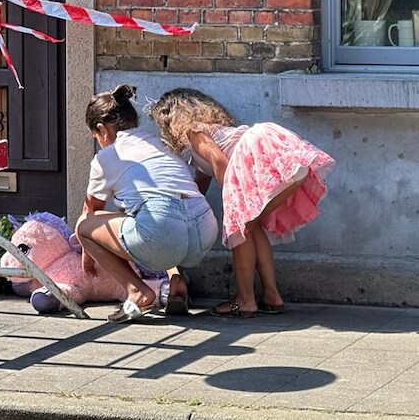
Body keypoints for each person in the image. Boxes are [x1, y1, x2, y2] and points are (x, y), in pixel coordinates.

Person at [148, 88, 335, 318]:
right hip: (271, 150)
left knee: (241, 230)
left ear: (171, 119)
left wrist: (233, 205)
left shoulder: (193, 132)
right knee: (252, 227)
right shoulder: (211, 133)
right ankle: (271, 296)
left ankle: (245, 300)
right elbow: (202, 184)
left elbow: (219, 163)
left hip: (252, 155)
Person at [75, 85, 219, 323]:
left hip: (163, 231)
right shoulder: (161, 143)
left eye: (96, 138)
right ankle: (177, 280)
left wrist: (87, 256)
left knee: (84, 226)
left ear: (101, 131)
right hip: (204, 229)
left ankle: (137, 291)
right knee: (151, 214)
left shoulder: (107, 157)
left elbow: (91, 211)